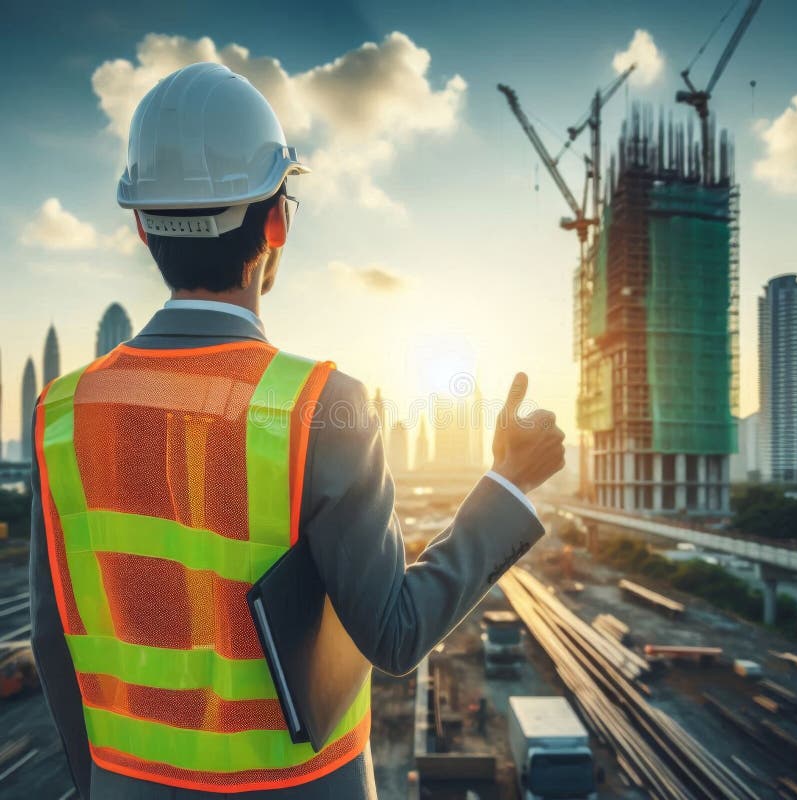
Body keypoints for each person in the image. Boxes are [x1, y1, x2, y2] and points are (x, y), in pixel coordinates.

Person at [29, 62, 566, 800]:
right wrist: (510, 481)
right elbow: (396, 635)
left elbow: (52, 638)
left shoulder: (61, 413)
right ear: (277, 222)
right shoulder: (323, 406)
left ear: (141, 226)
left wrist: (99, 785)